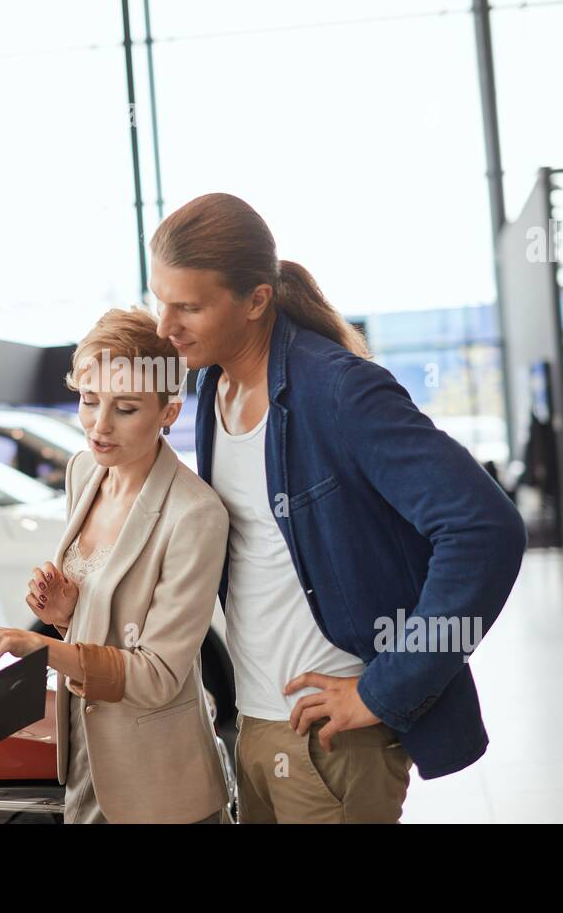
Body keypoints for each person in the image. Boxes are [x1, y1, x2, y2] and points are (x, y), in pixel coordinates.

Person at [148, 192, 528, 823]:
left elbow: (484, 528)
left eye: (189, 306)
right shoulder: (215, 384)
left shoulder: (340, 391)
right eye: (159, 298)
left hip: (330, 742)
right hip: (257, 725)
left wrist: (384, 690)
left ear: (256, 301)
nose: (166, 325)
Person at [0, 309, 231, 823]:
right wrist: (66, 611)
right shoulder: (85, 472)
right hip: (84, 767)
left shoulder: (195, 513)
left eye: (125, 408)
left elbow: (157, 676)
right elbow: (101, 629)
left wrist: (43, 646)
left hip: (160, 790)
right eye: (88, 400)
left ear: (169, 411)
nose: (99, 426)